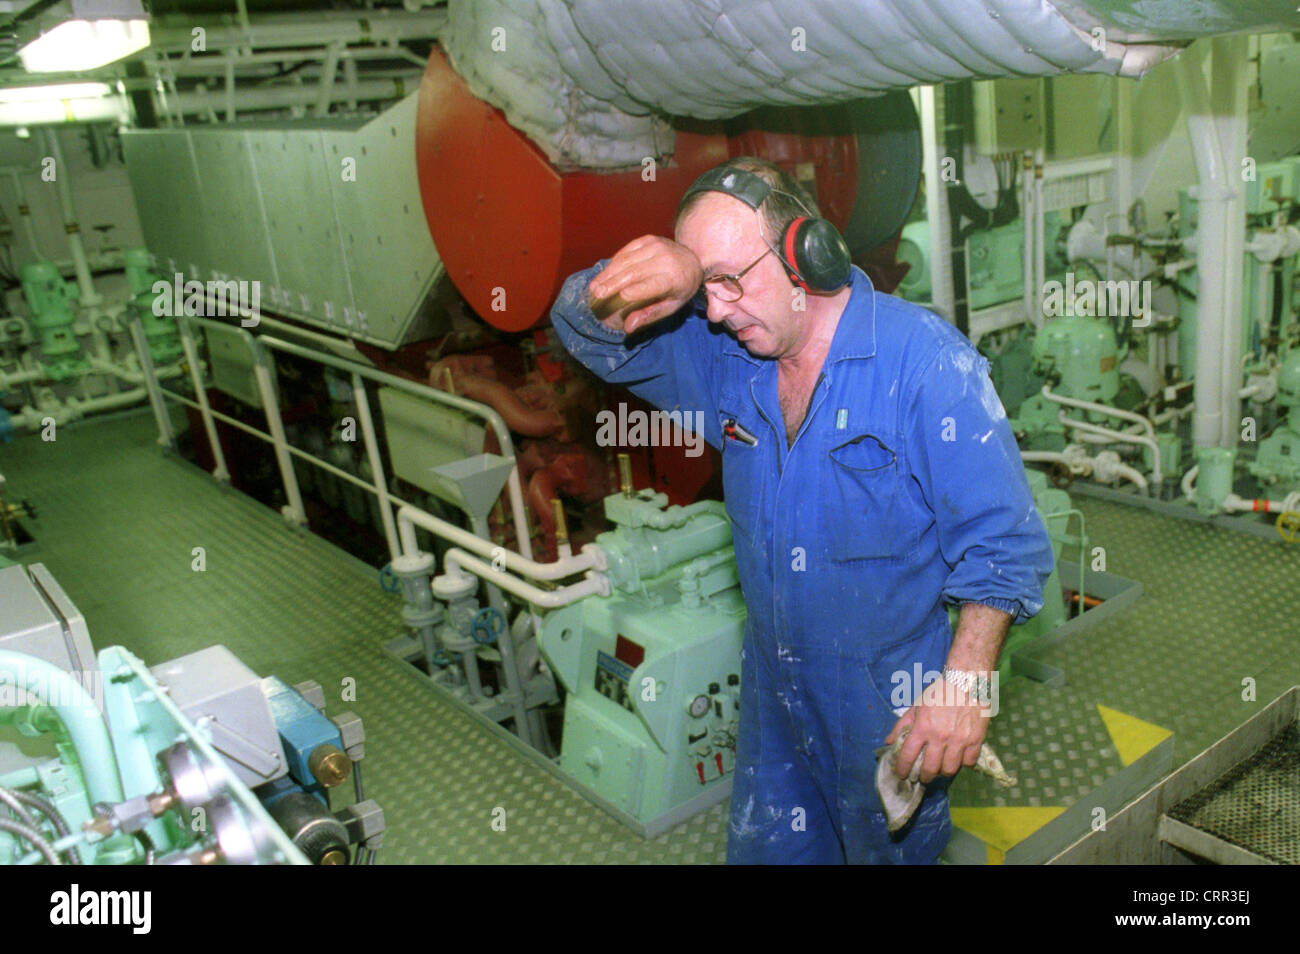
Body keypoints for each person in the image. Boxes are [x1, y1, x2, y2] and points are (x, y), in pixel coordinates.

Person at [550, 156, 1054, 864]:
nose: (717, 310)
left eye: (729, 279)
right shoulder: (729, 358)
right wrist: (657, 272)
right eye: (704, 287)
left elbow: (1006, 544)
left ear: (805, 256)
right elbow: (581, 331)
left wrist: (964, 685)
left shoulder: (924, 363)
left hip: (886, 705)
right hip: (773, 701)